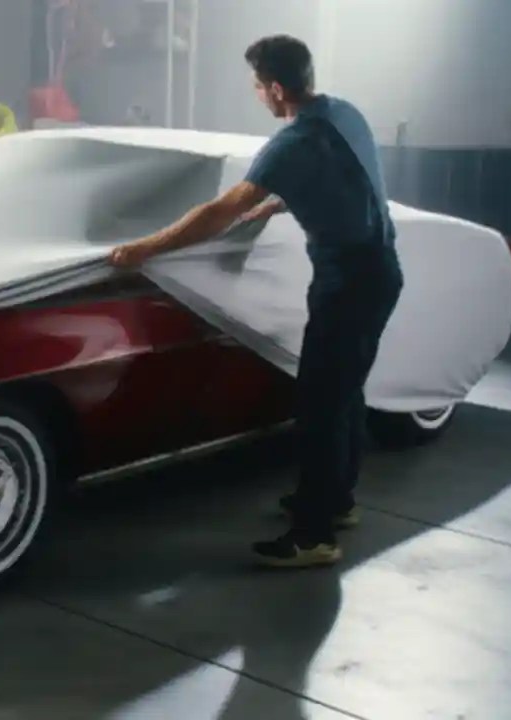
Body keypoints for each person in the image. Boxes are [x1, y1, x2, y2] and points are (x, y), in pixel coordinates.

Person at [109, 34, 403, 568]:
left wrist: (144, 248)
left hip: (349, 282)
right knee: (344, 393)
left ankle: (313, 536)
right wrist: (279, 203)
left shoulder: (291, 144)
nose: (257, 96)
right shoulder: (342, 114)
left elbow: (221, 210)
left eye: (256, 87)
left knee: (319, 404)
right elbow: (347, 181)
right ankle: (337, 501)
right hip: (380, 271)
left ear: (274, 88)